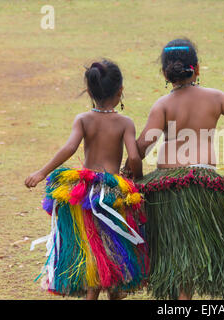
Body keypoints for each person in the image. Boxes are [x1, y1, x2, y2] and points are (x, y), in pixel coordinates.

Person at [125, 38, 224, 300]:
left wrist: (128, 170)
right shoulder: (215, 97)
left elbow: (144, 145)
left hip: (167, 186)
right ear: (197, 69)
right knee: (191, 252)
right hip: (204, 183)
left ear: (165, 73)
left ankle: (181, 301)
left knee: (173, 250)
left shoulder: (163, 105)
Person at [25, 59, 148, 299]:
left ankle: (93, 290)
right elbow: (134, 156)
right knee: (112, 247)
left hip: (85, 192)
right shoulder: (125, 122)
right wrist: (137, 183)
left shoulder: (83, 119)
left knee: (92, 244)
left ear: (90, 91)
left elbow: (70, 147)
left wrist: (42, 172)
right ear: (120, 90)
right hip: (112, 193)